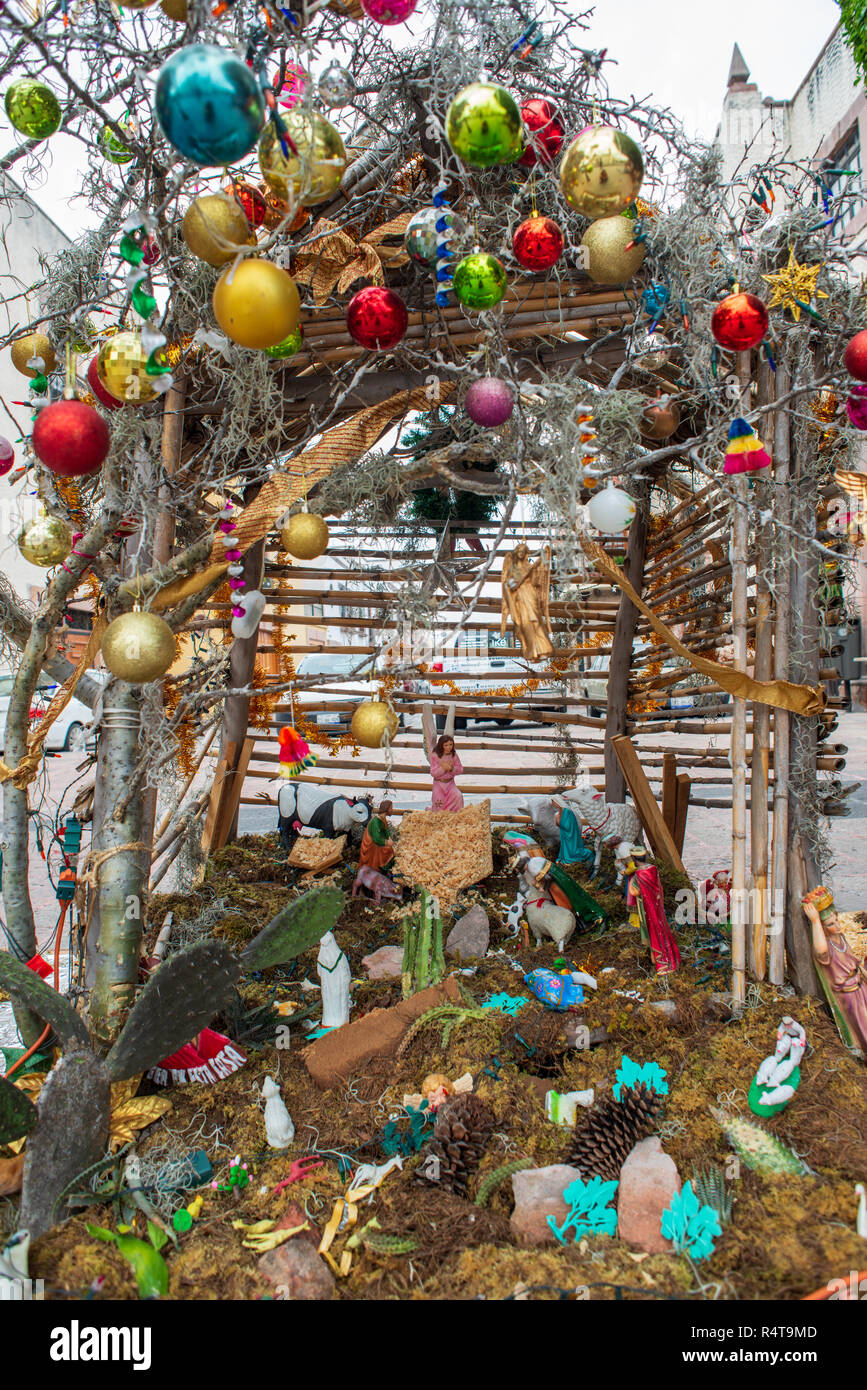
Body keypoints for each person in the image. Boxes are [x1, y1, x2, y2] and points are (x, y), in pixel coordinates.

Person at [553, 800, 594, 867]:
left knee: (572, 849)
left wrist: (559, 822)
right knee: (564, 847)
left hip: (570, 835)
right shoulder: (560, 813)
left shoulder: (567, 812)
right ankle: (564, 858)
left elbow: (567, 826)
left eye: (554, 802)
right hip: (564, 835)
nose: (553, 804)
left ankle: (571, 859)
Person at [358, 799, 395, 872]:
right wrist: (387, 842)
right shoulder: (375, 822)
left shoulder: (383, 819)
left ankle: (384, 869)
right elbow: (376, 839)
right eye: (391, 808)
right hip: (371, 846)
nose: (392, 810)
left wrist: (389, 838)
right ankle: (378, 869)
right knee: (388, 850)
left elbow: (386, 830)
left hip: (377, 843)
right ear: (386, 809)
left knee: (391, 850)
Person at [430, 734, 463, 812]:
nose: (449, 747)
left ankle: (454, 815)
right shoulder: (435, 756)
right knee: (439, 802)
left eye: (451, 744)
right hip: (439, 785)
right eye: (446, 745)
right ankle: (439, 817)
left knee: (458, 796)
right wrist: (443, 769)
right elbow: (433, 773)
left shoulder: (454, 755)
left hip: (450, 784)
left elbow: (460, 769)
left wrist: (452, 769)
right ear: (441, 745)